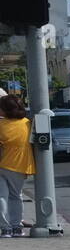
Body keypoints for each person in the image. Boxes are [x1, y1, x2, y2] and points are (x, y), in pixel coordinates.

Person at [0, 94, 35, 238]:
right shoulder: (27, 123)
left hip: (2, 165)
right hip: (20, 165)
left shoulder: (1, 125)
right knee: (16, 196)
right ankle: (16, 227)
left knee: (2, 197)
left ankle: (5, 228)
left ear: (5, 110)